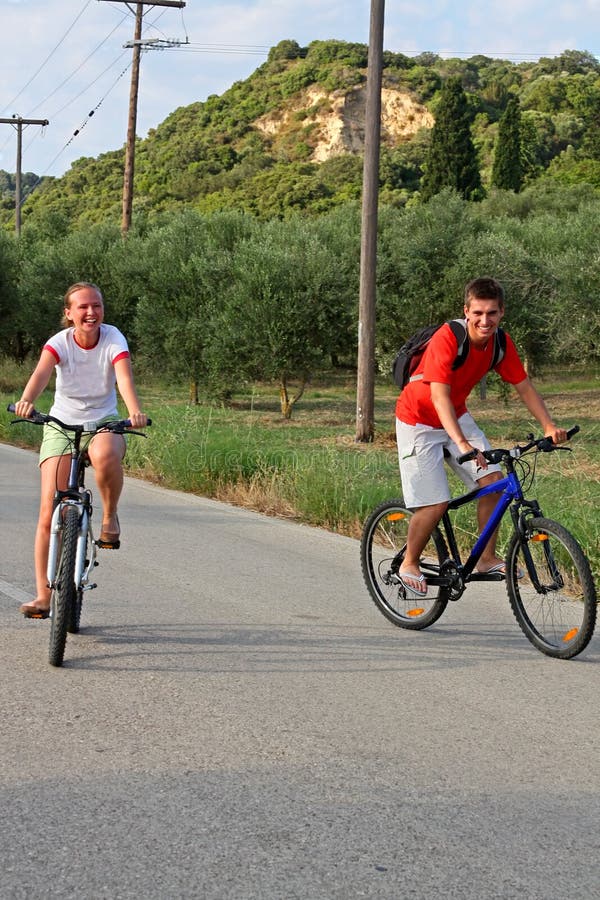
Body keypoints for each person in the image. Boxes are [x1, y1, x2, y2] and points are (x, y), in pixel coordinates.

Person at [395, 276, 566, 596]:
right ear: (467, 311)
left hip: (455, 414)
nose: (484, 320)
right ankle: (409, 561)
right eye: (478, 313)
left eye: (491, 313)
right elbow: (439, 396)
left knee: (494, 484)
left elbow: (524, 387)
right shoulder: (449, 337)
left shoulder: (500, 343)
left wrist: (548, 425)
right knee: (435, 503)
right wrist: (461, 443)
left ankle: (486, 558)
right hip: (417, 420)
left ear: (502, 313)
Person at [14, 282, 148, 618]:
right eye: (84, 307)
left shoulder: (113, 338)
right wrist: (27, 401)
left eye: (97, 306)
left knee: (104, 456)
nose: (91, 313)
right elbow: (40, 373)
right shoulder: (58, 343)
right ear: (69, 313)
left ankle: (109, 515)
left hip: (103, 421)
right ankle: (43, 596)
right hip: (62, 423)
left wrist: (134, 412)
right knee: (48, 511)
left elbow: (124, 378)